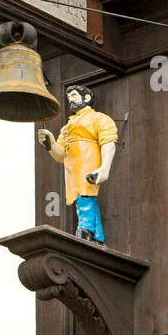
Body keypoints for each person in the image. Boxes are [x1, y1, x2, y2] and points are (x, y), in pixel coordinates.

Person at [37, 85, 118, 245]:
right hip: (73, 167)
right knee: (82, 198)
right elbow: (60, 154)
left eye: (74, 96)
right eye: (69, 98)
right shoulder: (67, 127)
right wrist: (50, 143)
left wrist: (104, 168)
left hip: (88, 161)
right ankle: (97, 237)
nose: (70, 101)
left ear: (86, 98)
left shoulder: (98, 118)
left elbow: (108, 142)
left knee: (85, 197)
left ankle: (85, 230)